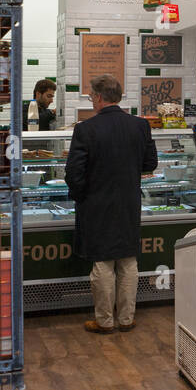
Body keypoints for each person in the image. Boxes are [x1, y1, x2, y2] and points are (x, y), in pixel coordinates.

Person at [65, 74, 158, 334]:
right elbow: (150, 164)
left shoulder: (86, 129)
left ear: (97, 97)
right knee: (128, 261)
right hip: (129, 203)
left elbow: (73, 173)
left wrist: (81, 196)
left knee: (103, 263)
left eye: (91, 96)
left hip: (97, 205)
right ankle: (127, 319)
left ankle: (105, 321)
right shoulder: (140, 126)